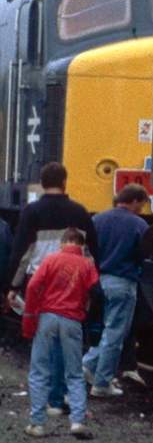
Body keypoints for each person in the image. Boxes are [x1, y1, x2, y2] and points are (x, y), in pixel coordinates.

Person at [5, 163, 100, 415]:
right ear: (65, 182)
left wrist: (12, 286)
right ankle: (60, 395)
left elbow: (22, 253)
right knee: (67, 342)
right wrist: (92, 286)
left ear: (43, 183)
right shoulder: (80, 212)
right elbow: (91, 253)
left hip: (42, 282)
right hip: (73, 283)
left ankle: (51, 396)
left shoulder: (32, 212)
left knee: (44, 340)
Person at [21, 228, 98, 439]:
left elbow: (33, 286)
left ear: (63, 242)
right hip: (73, 320)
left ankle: (37, 423)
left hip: (47, 318)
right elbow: (96, 291)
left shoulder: (50, 259)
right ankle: (77, 421)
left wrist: (30, 314)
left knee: (39, 371)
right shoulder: (87, 264)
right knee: (73, 373)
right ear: (81, 245)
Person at [80, 184, 149, 397]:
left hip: (99, 281)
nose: (142, 209)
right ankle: (102, 383)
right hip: (123, 283)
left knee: (105, 330)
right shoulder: (139, 224)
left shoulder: (97, 220)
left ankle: (87, 367)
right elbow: (143, 255)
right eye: (142, 204)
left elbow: (86, 250)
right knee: (115, 334)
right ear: (135, 201)